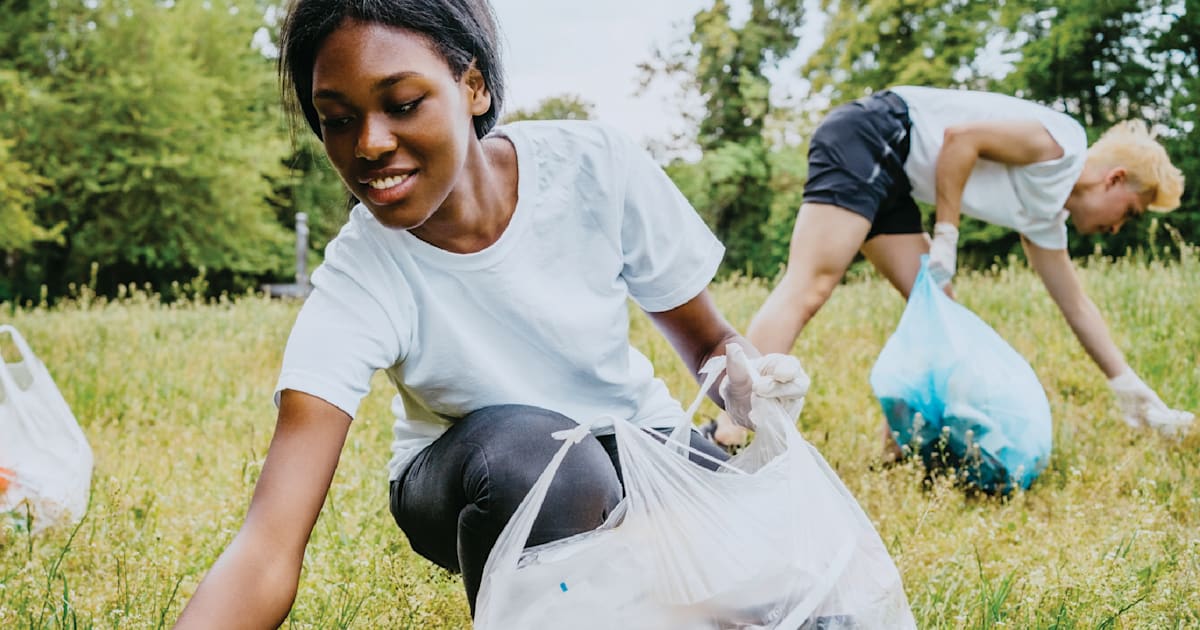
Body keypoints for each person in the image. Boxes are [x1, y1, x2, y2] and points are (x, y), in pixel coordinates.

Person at [174, 0, 804, 626]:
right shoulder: (360, 274)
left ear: (471, 86)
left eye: (401, 104)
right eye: (337, 119)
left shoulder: (594, 167)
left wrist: (743, 381)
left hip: (638, 449)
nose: (368, 144)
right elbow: (267, 546)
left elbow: (707, 343)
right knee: (552, 459)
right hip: (488, 474)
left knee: (792, 594)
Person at [710, 85, 1193, 448]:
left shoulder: (1045, 217)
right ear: (1114, 179)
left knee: (939, 308)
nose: (1118, 228)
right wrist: (947, 235)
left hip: (894, 173)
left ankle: (896, 446)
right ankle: (729, 429)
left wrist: (1131, 389)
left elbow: (1077, 306)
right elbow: (961, 140)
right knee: (811, 284)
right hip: (872, 133)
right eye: (1129, 213)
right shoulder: (1060, 146)